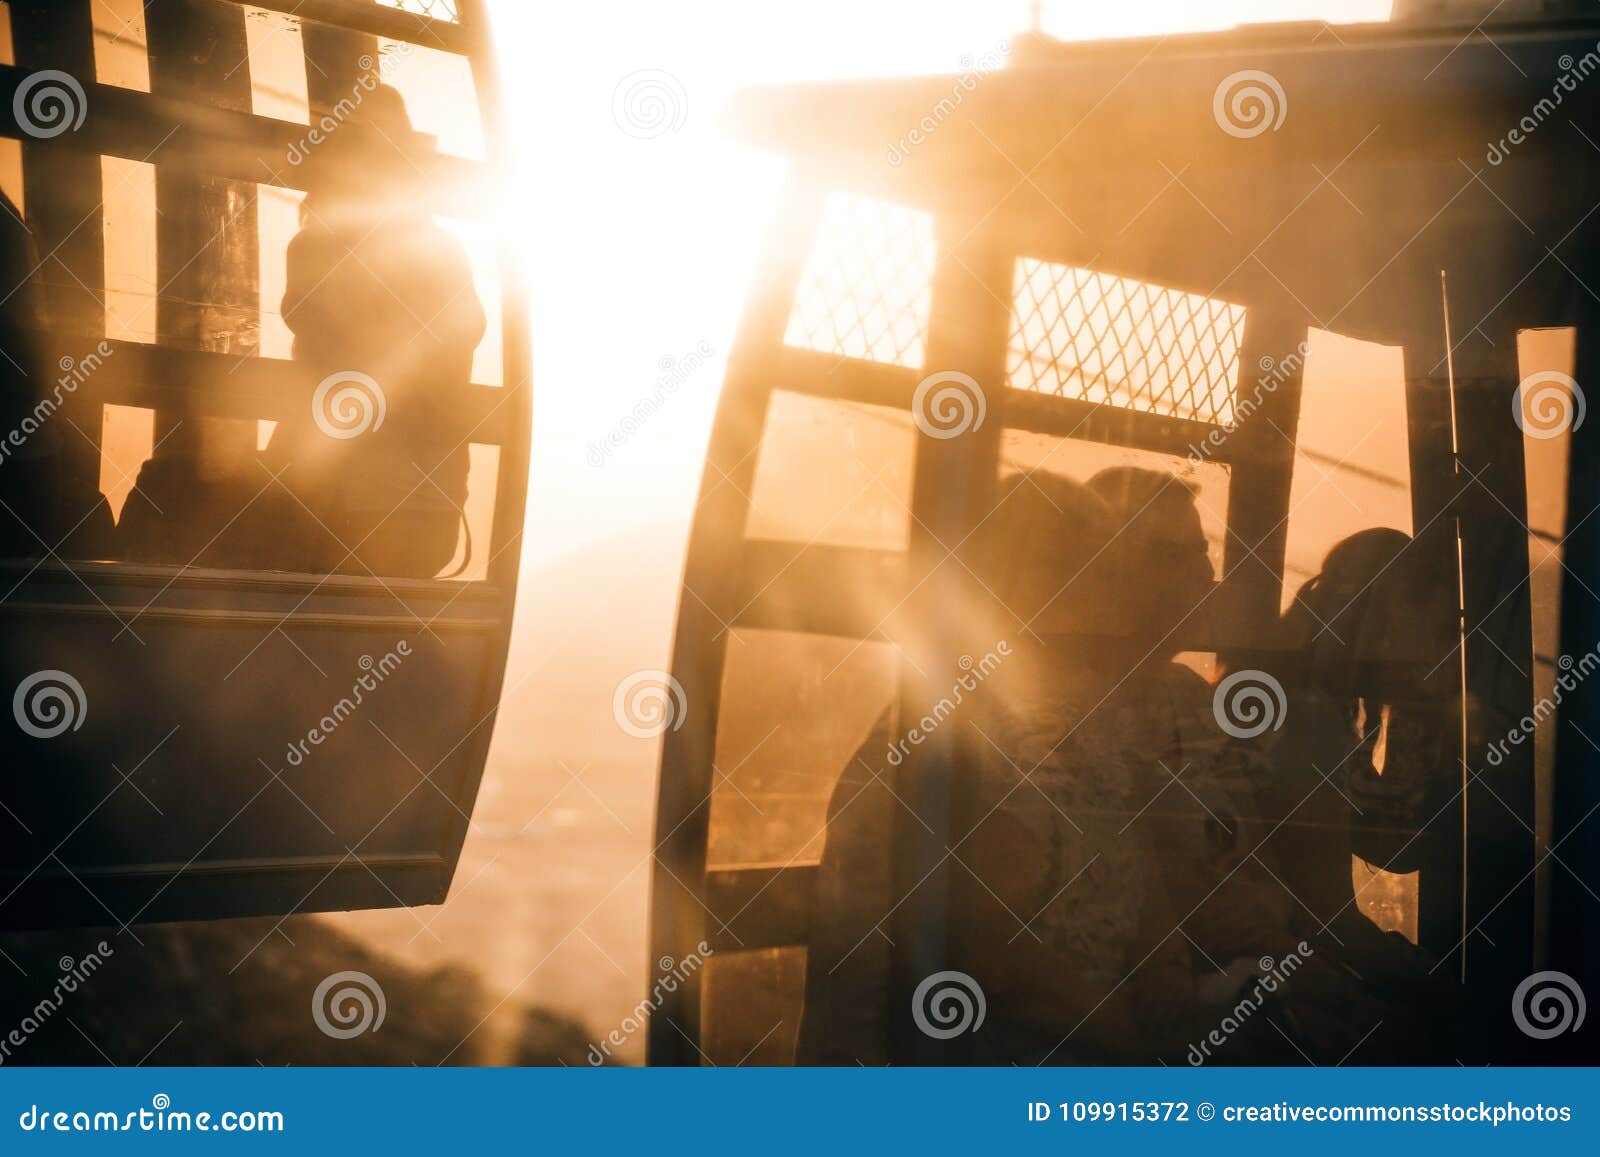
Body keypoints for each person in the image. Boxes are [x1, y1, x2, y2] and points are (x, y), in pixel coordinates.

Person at [256, 83, 485, 577]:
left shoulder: (317, 247)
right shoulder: (442, 250)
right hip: (430, 503)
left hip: (353, 499)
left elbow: (325, 351)